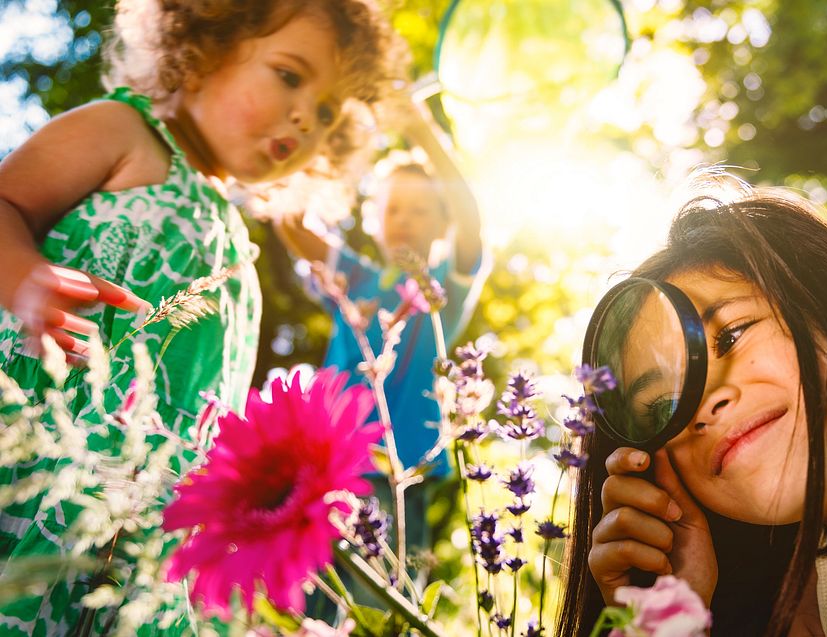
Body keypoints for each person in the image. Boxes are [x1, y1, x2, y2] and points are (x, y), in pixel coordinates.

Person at [0, 0, 403, 633]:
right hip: (39, 450)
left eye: (328, 111)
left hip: (140, 528)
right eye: (291, 75)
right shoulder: (122, 132)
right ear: (206, 44)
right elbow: (6, 201)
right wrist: (24, 276)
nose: (306, 115)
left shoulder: (238, 250)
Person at [557, 184, 827, 637]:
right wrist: (670, 626)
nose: (706, 402)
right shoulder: (788, 621)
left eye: (730, 336)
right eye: (665, 406)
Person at [272, 93, 487, 562]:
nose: (404, 219)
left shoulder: (442, 290)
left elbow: (472, 222)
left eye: (419, 209)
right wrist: (330, 129)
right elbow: (287, 215)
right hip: (322, 469)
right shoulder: (357, 280)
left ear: (442, 224)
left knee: (380, 607)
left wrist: (420, 130)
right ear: (373, 222)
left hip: (398, 474)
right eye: (393, 209)